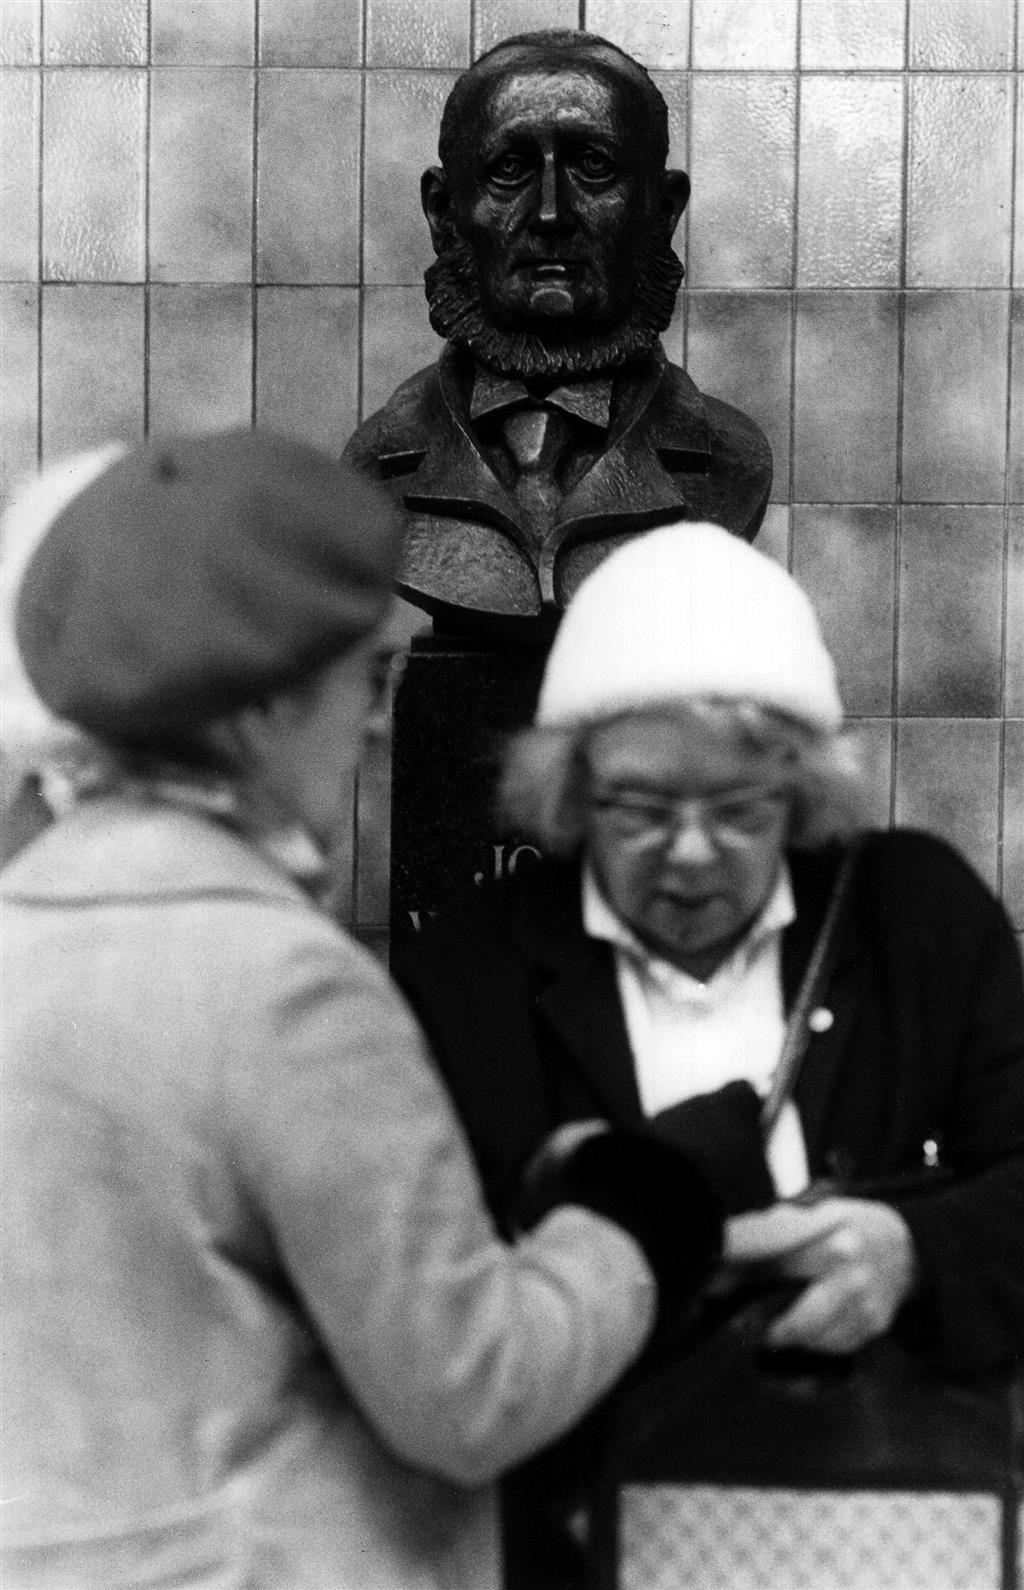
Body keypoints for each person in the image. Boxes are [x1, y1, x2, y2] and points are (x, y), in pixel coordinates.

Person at [0, 434, 722, 1590]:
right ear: (258, 713)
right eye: (364, 683)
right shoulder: (284, 990)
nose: (375, 729)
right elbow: (466, 1392)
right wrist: (630, 1220)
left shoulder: (20, 934)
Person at [393, 520, 1024, 1584]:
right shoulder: (472, 970)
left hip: (880, 1522)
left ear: (803, 788)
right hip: (576, 1529)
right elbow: (424, 1288)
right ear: (569, 791)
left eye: (737, 812)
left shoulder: (912, 917)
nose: (689, 855)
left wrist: (908, 1252)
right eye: (639, 811)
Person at [344, 30, 772, 634]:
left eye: (594, 168)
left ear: (663, 209)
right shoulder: (378, 466)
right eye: (509, 169)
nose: (550, 213)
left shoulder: (732, 459)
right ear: (444, 211)